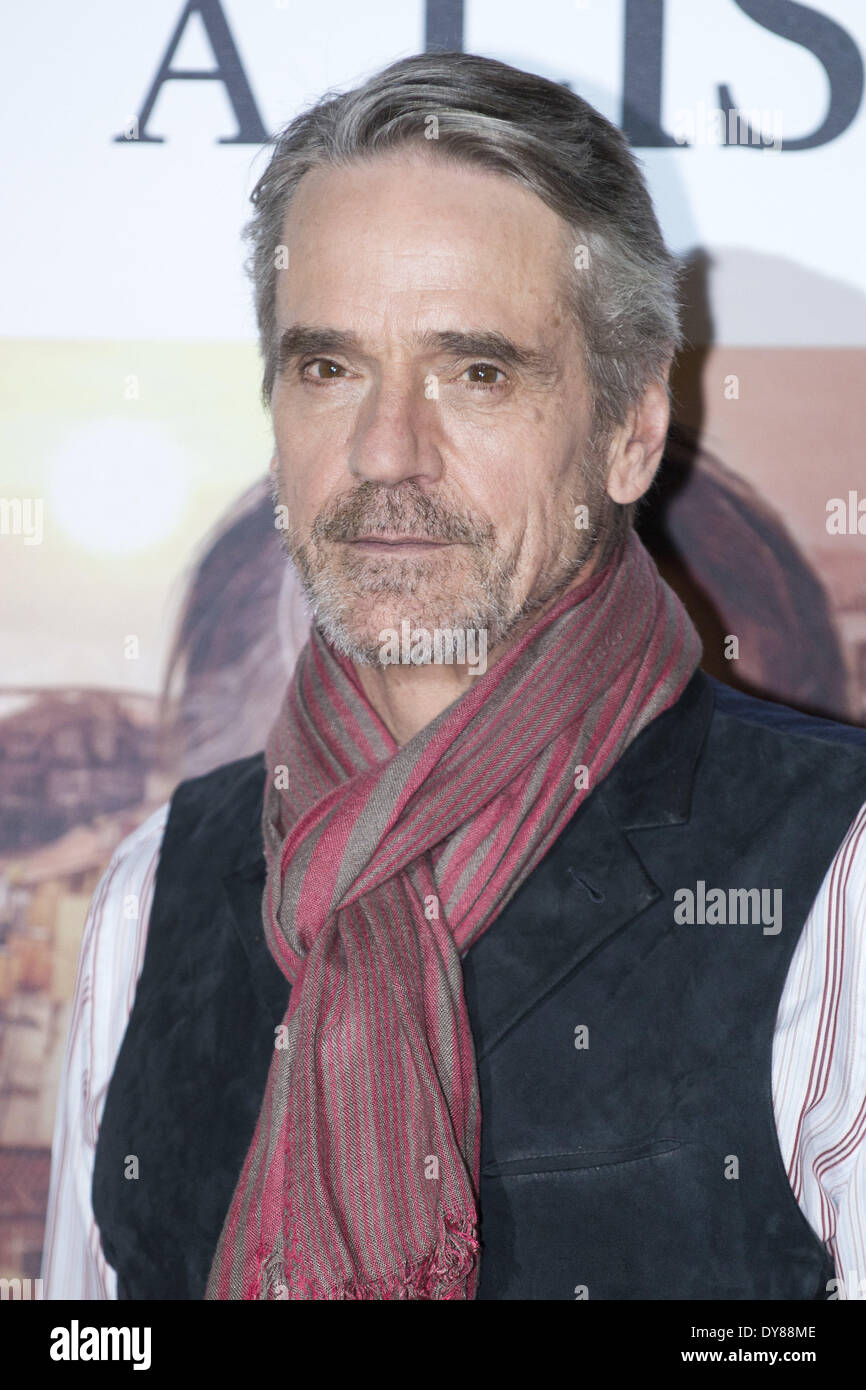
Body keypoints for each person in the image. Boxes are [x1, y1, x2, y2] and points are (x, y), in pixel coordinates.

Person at [44, 51, 866, 1301]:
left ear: (631, 431)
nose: (384, 450)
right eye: (329, 367)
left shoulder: (836, 880)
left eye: (475, 371)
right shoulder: (155, 890)